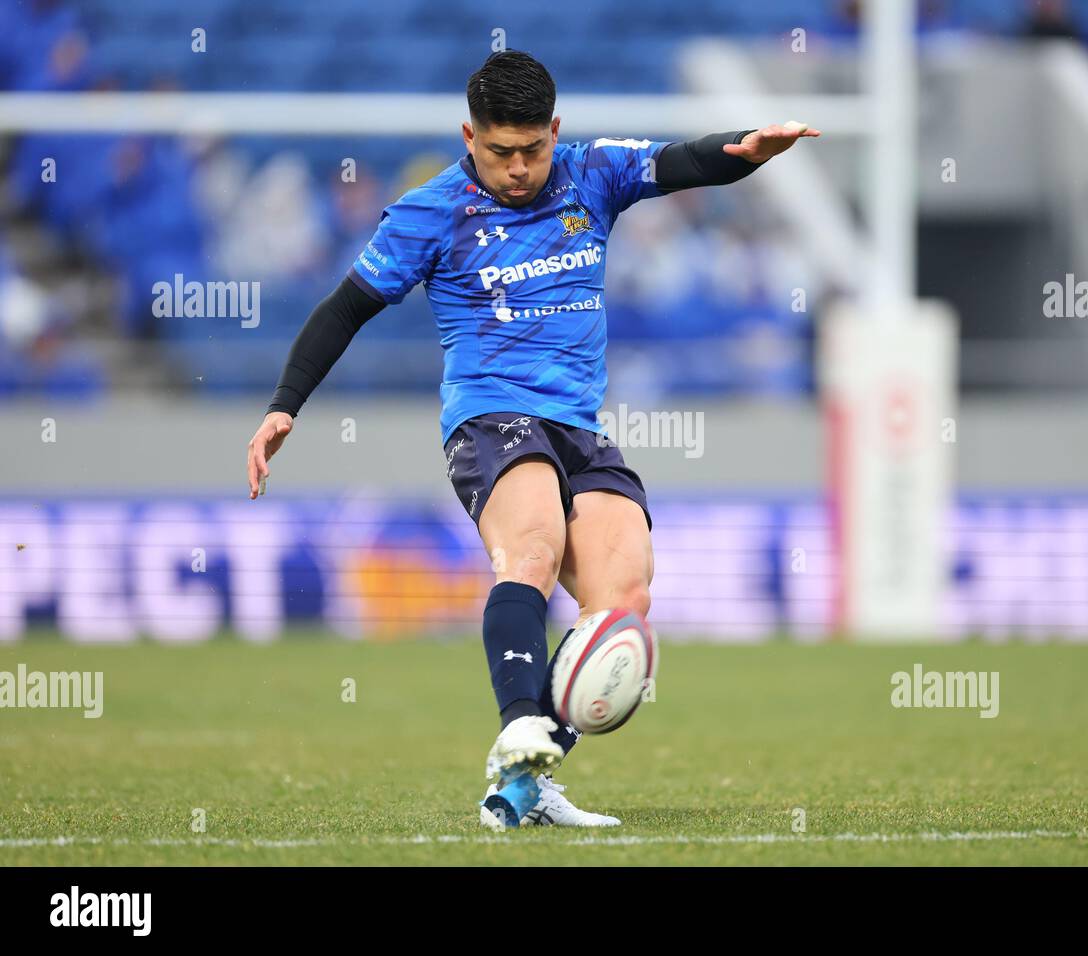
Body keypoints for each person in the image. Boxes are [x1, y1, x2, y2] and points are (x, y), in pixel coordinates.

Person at [244, 50, 819, 827]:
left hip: (578, 427)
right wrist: (286, 404)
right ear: (468, 136)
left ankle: (521, 783)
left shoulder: (593, 175)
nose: (519, 169)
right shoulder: (431, 211)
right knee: (535, 550)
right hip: (490, 417)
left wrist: (746, 149)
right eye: (500, 152)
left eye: (533, 150)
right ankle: (521, 720)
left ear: (556, 130)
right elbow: (345, 307)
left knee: (625, 600)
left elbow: (679, 162)